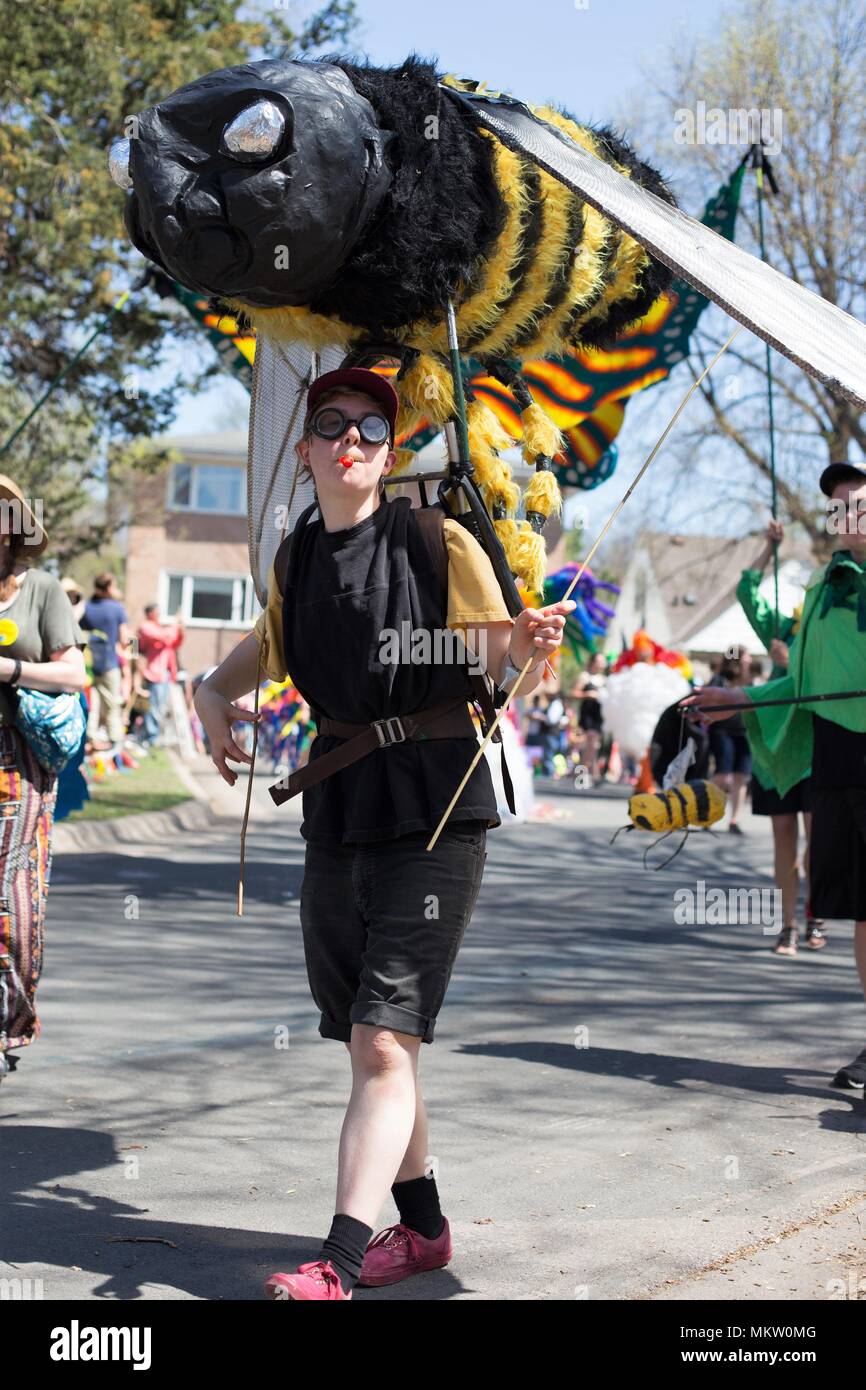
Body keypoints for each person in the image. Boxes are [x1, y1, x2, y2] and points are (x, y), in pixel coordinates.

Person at [194, 367, 574, 1300]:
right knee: (379, 1039)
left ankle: (339, 1259)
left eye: (372, 426)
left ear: (391, 449)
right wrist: (210, 691)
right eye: (333, 424)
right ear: (306, 447)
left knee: (380, 1039)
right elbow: (270, 646)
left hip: (437, 806)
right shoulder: (297, 559)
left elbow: (495, 655)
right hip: (339, 810)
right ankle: (429, 1231)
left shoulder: (437, 540)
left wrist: (525, 643)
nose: (352, 439)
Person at [682, 460, 866, 1090]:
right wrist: (737, 700)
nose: (845, 512)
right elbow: (805, 684)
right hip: (838, 754)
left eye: (857, 501)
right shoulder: (822, 587)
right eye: (838, 505)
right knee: (864, 909)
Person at [0, 476, 86, 1084]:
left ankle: (9, 1017)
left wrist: (10, 669)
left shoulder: (43, 590)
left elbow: (75, 673)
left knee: (11, 895)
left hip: (15, 760)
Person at [736, 518, 822, 956]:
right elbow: (747, 590)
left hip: (815, 747)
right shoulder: (780, 629)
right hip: (775, 748)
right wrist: (770, 547)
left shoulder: (825, 633)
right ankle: (788, 925)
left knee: (817, 839)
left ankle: (814, 915)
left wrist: (794, 659)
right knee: (783, 838)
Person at [79, 572, 129, 752]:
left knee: (92, 704)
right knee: (112, 705)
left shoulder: (86, 607)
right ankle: (115, 741)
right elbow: (125, 639)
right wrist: (133, 653)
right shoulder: (117, 608)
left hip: (88, 665)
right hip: (109, 663)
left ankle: (89, 738)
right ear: (108, 587)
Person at [706, 649, 753, 834]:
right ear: (738, 659)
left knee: (741, 776)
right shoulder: (719, 679)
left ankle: (735, 819)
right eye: (746, 656)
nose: (750, 659)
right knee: (723, 775)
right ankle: (709, 813)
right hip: (721, 730)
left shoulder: (750, 680)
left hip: (743, 732)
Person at [136, 603, 184, 746]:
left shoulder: (159, 628)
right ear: (150, 613)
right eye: (157, 612)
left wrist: (180, 631)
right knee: (152, 708)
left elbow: (174, 642)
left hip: (164, 674)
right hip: (151, 673)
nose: (159, 615)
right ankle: (149, 738)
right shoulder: (145, 627)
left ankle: (151, 737)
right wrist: (175, 624)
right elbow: (164, 636)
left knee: (158, 707)